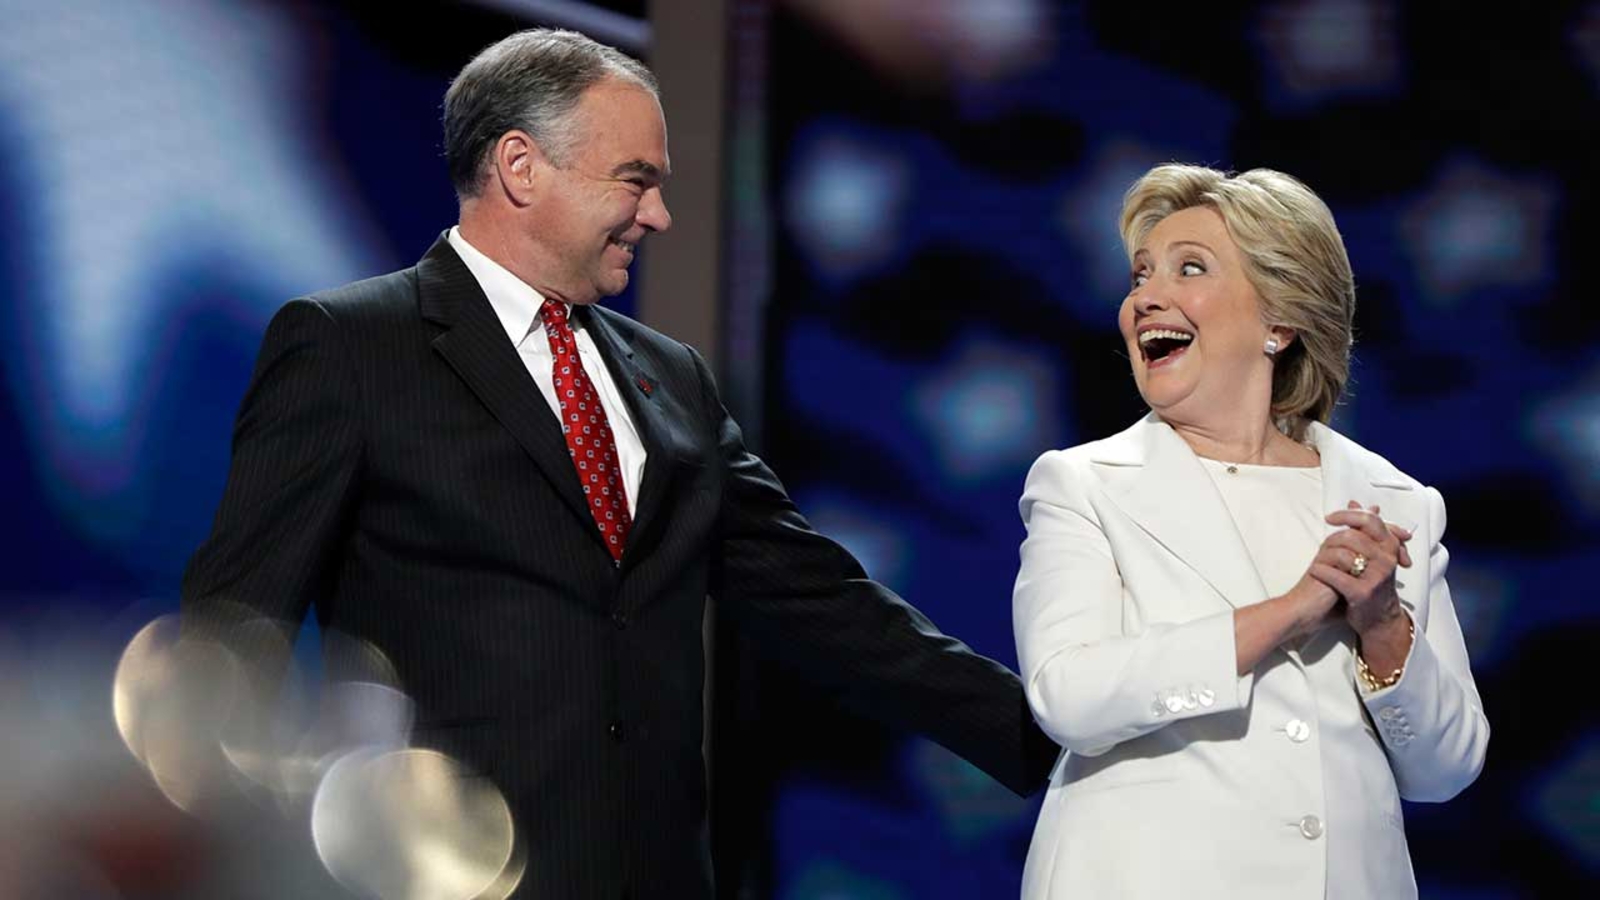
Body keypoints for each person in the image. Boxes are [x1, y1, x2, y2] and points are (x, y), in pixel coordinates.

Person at [180, 28, 1057, 899]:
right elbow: (231, 642)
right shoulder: (350, 346)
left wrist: (1058, 746)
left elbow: (829, 606)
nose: (659, 215)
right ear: (521, 168)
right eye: (635, 181)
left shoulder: (672, 377)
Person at [1012, 164, 1489, 898]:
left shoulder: (1395, 502)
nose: (1145, 298)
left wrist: (1383, 625)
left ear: (1279, 321)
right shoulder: (1083, 485)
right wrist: (1291, 611)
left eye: (1189, 268)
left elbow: (1446, 766)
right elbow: (1068, 696)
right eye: (1140, 275)